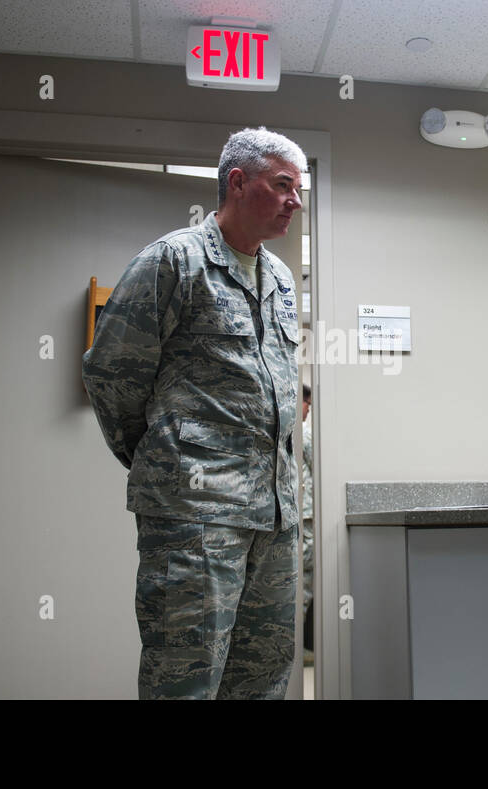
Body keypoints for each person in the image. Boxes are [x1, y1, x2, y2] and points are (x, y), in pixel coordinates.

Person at [83, 127, 305, 700]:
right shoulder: (173, 261)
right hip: (195, 516)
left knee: (262, 679)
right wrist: (167, 459)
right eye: (283, 185)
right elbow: (111, 376)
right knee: (184, 679)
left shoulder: (280, 278)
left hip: (274, 518)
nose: (295, 201)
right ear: (237, 181)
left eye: (299, 189)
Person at [300, 383, 314, 652]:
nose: (308, 410)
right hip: (306, 521)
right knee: (303, 587)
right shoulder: (304, 434)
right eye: (307, 404)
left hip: (303, 518)